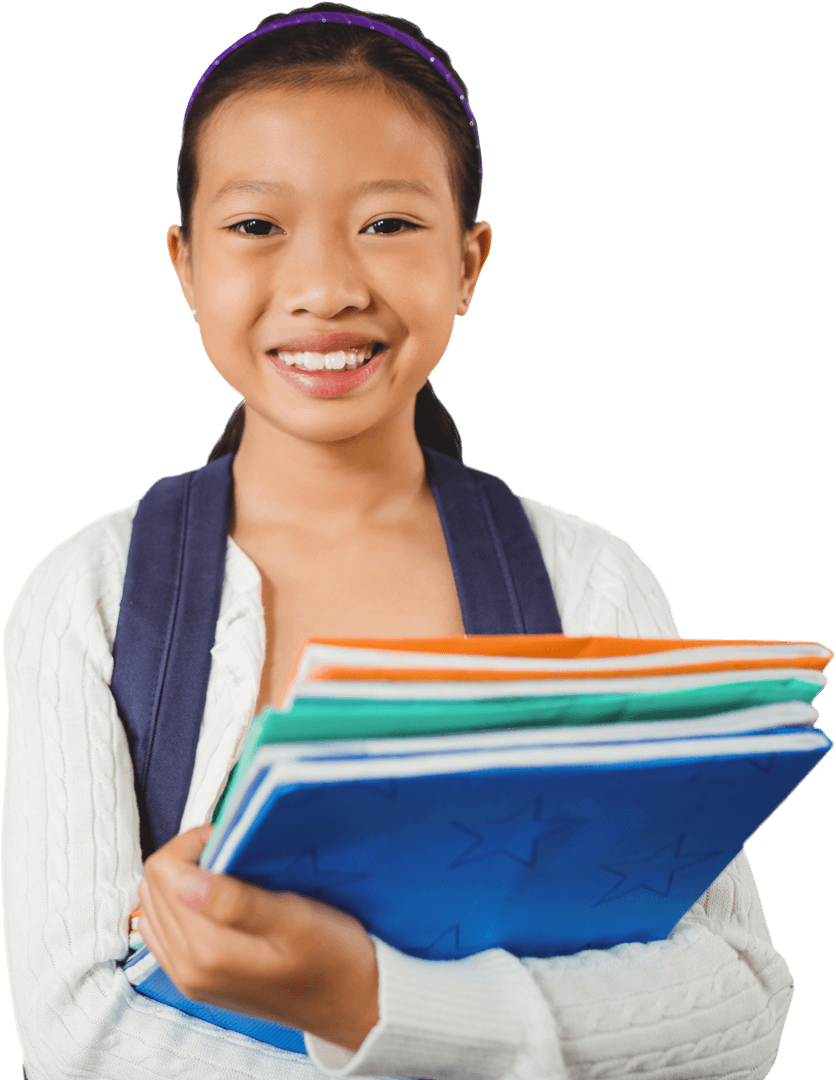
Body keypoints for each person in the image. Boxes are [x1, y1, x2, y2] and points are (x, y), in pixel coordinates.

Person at [2, 4, 794, 1078]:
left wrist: (358, 996)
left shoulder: (590, 585)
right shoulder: (92, 597)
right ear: (185, 266)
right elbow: (77, 1036)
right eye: (256, 225)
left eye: (386, 224)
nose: (326, 287)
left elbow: (736, 1004)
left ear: (468, 263)